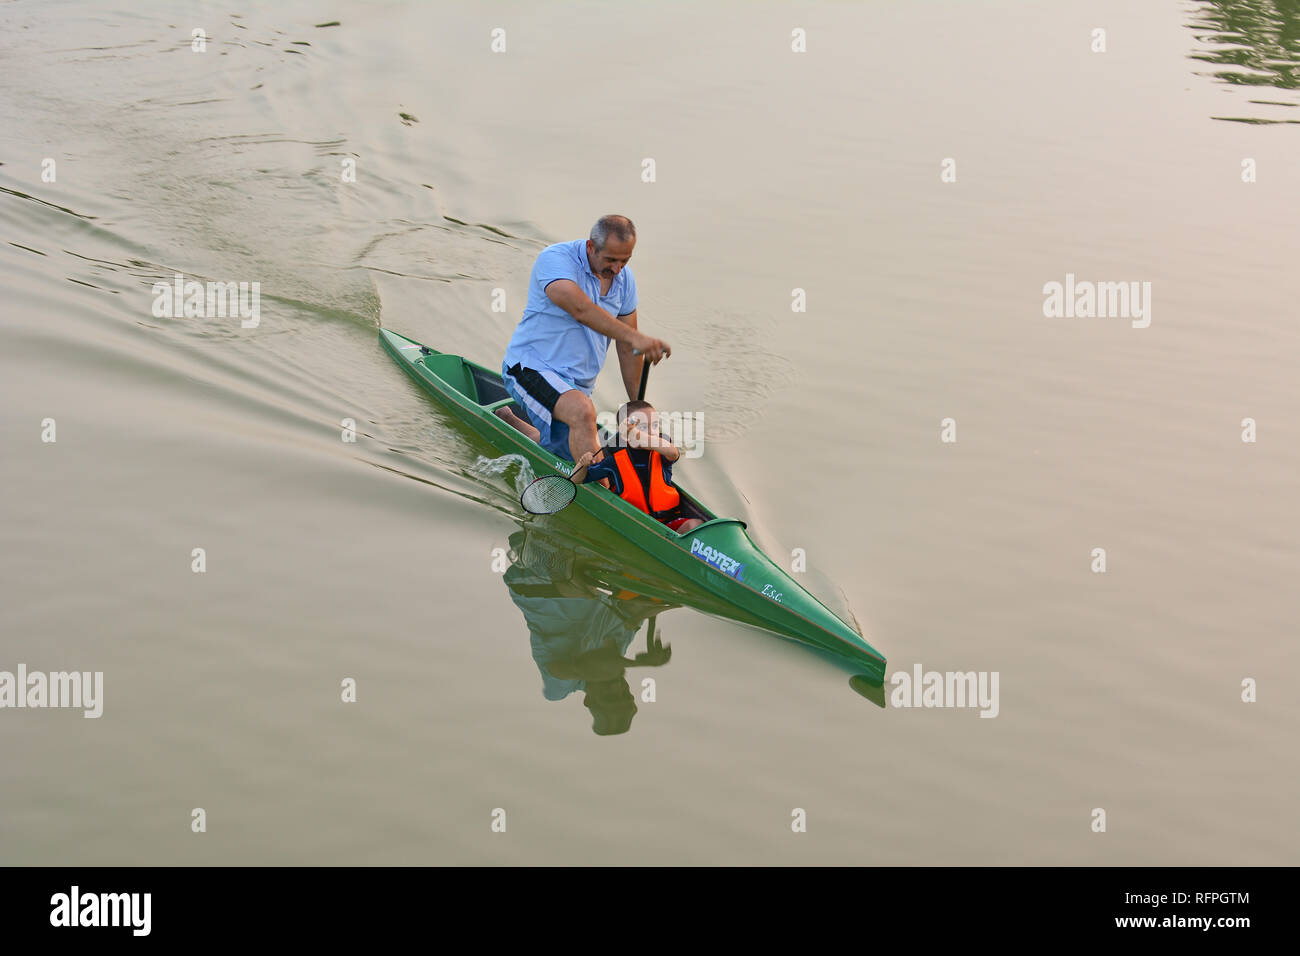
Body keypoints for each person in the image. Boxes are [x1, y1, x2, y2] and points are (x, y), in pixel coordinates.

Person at [496, 215, 671, 468]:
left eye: (625, 260)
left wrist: (637, 408)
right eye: (611, 260)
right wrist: (636, 337)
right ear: (591, 247)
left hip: (576, 387)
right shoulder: (555, 259)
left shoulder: (625, 281)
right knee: (582, 412)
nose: (618, 269)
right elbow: (581, 309)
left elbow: (626, 348)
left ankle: (510, 420)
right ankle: (601, 486)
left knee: (563, 450)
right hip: (529, 369)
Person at [568, 401, 704, 534]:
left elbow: (672, 453)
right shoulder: (614, 461)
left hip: (668, 524)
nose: (652, 432)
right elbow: (575, 479)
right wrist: (582, 464)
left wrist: (636, 434)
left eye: (655, 425)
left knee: (695, 524)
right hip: (635, 524)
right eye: (643, 427)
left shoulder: (661, 449)